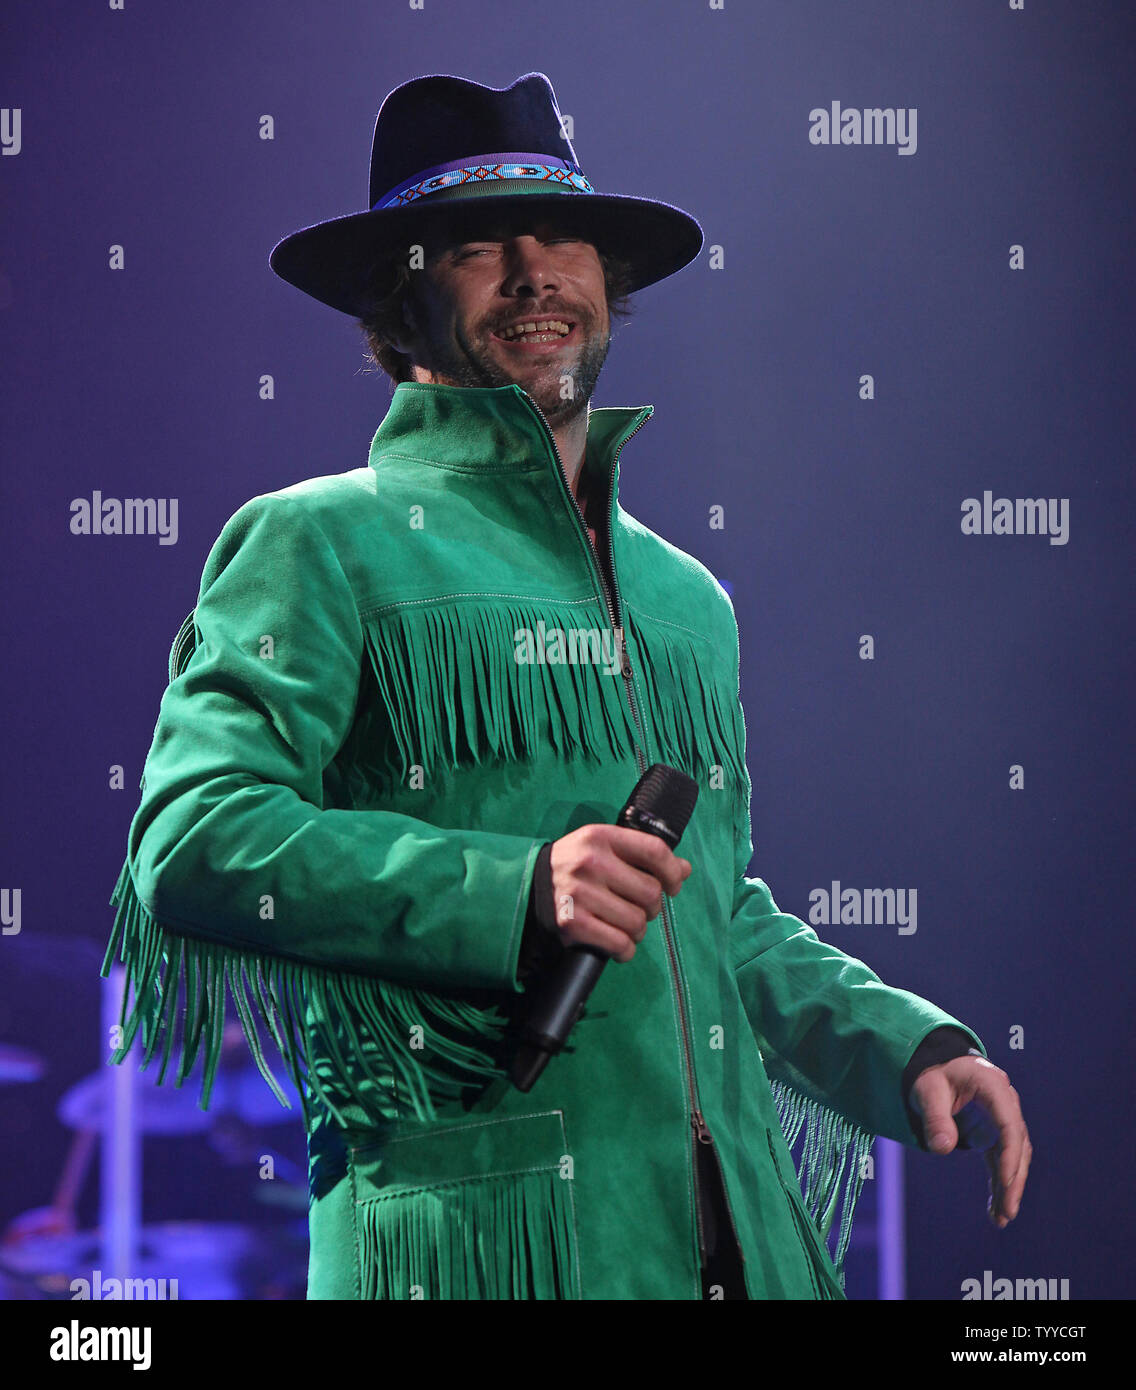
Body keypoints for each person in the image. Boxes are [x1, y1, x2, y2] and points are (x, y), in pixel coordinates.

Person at [103, 71, 1030, 1301]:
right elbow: (194, 837)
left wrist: (892, 1043)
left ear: (607, 282)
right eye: (479, 245)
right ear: (399, 298)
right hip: (487, 1250)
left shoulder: (684, 596)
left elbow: (712, 917)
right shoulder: (317, 540)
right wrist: (513, 889)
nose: (535, 271)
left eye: (563, 237)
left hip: (729, 1245)